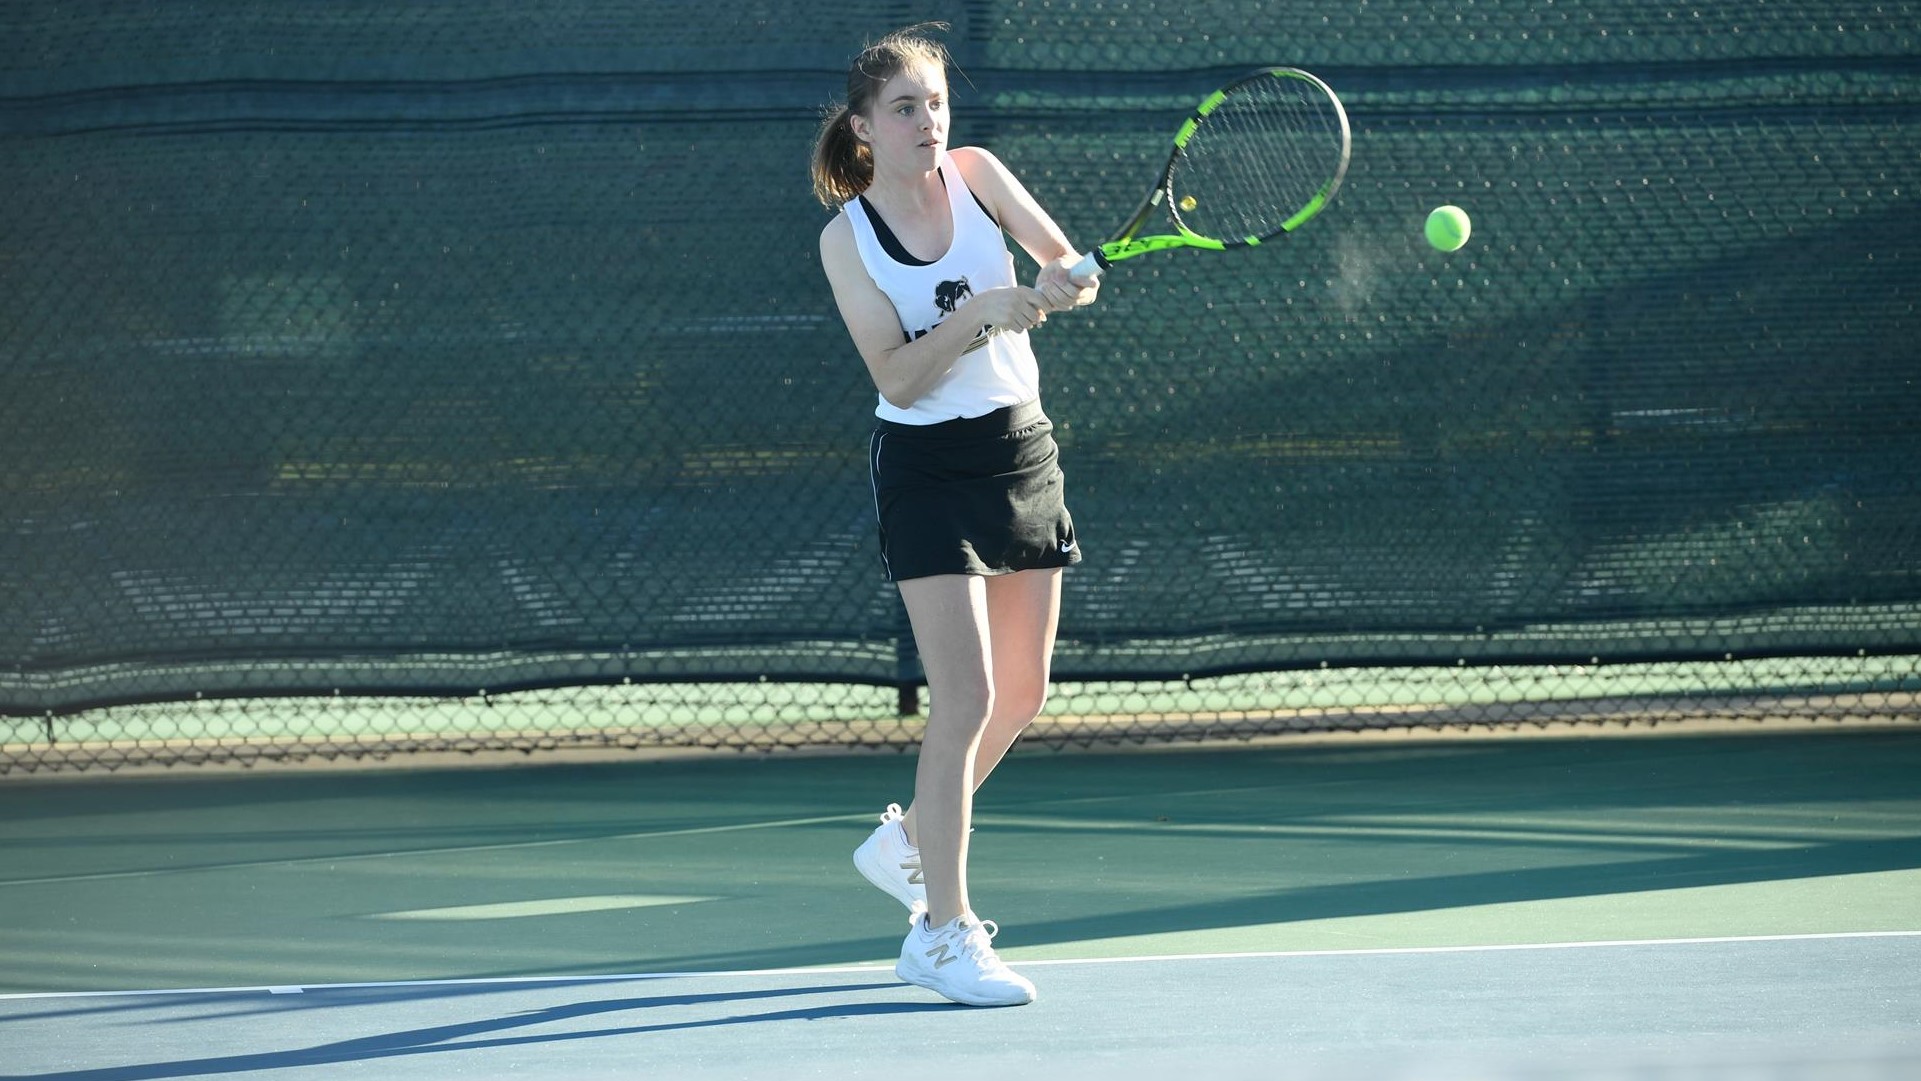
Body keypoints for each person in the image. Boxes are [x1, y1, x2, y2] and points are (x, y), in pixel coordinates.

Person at [811, 24, 1098, 1007]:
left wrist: (1064, 282)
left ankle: (906, 841)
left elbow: (1066, 266)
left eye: (935, 102)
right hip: (927, 467)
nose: (927, 121)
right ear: (863, 127)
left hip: (1020, 447)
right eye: (904, 108)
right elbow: (894, 375)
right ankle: (940, 933)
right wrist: (979, 313)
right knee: (965, 698)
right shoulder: (846, 238)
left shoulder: (979, 173)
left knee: (1022, 692)